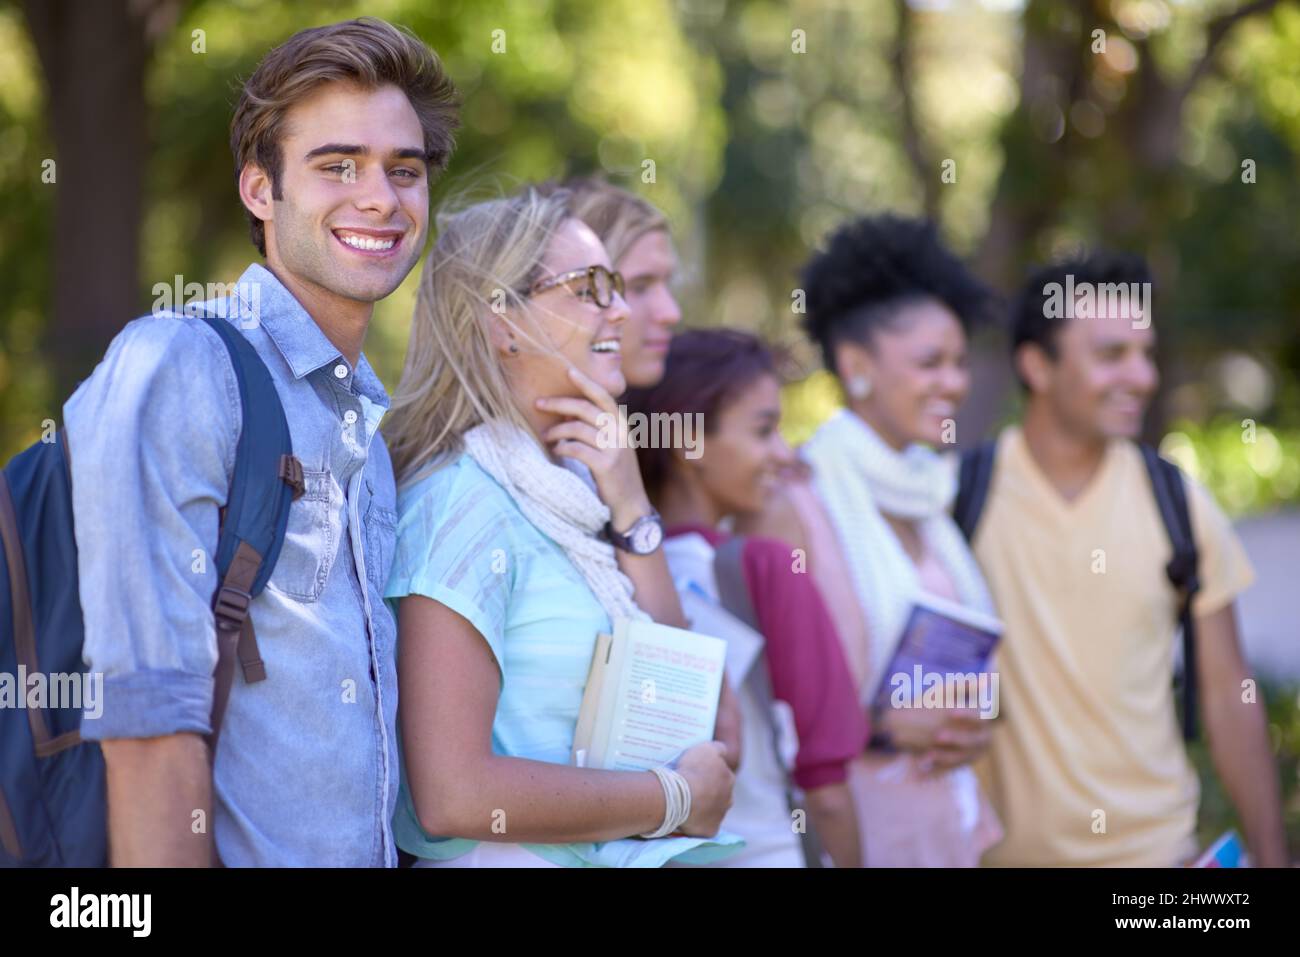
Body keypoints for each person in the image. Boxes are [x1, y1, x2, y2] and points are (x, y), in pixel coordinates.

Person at [67, 18, 458, 865]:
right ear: (259, 190)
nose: (380, 198)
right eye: (337, 165)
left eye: (405, 169)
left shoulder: (369, 434)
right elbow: (146, 713)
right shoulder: (179, 365)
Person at [382, 185, 739, 867]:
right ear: (502, 322)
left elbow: (711, 722)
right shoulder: (460, 503)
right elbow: (451, 794)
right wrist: (671, 798)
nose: (623, 308)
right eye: (591, 287)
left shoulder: (578, 496)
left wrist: (632, 510)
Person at [969, 252, 1288, 867]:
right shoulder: (964, 499)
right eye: (1112, 354)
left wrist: (1272, 861)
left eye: (1147, 353)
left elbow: (1230, 695)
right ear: (1036, 365)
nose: (1142, 376)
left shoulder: (1178, 504)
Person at [737, 214, 1004, 866]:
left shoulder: (932, 496)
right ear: (856, 365)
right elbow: (763, 709)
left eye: (961, 362)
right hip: (849, 839)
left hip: (948, 832)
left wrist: (976, 724)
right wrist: (882, 727)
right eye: (930, 362)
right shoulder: (793, 502)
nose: (955, 383)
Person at [624, 329, 867, 867]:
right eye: (764, 431)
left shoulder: (611, 566)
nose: (783, 454)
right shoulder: (768, 569)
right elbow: (825, 787)